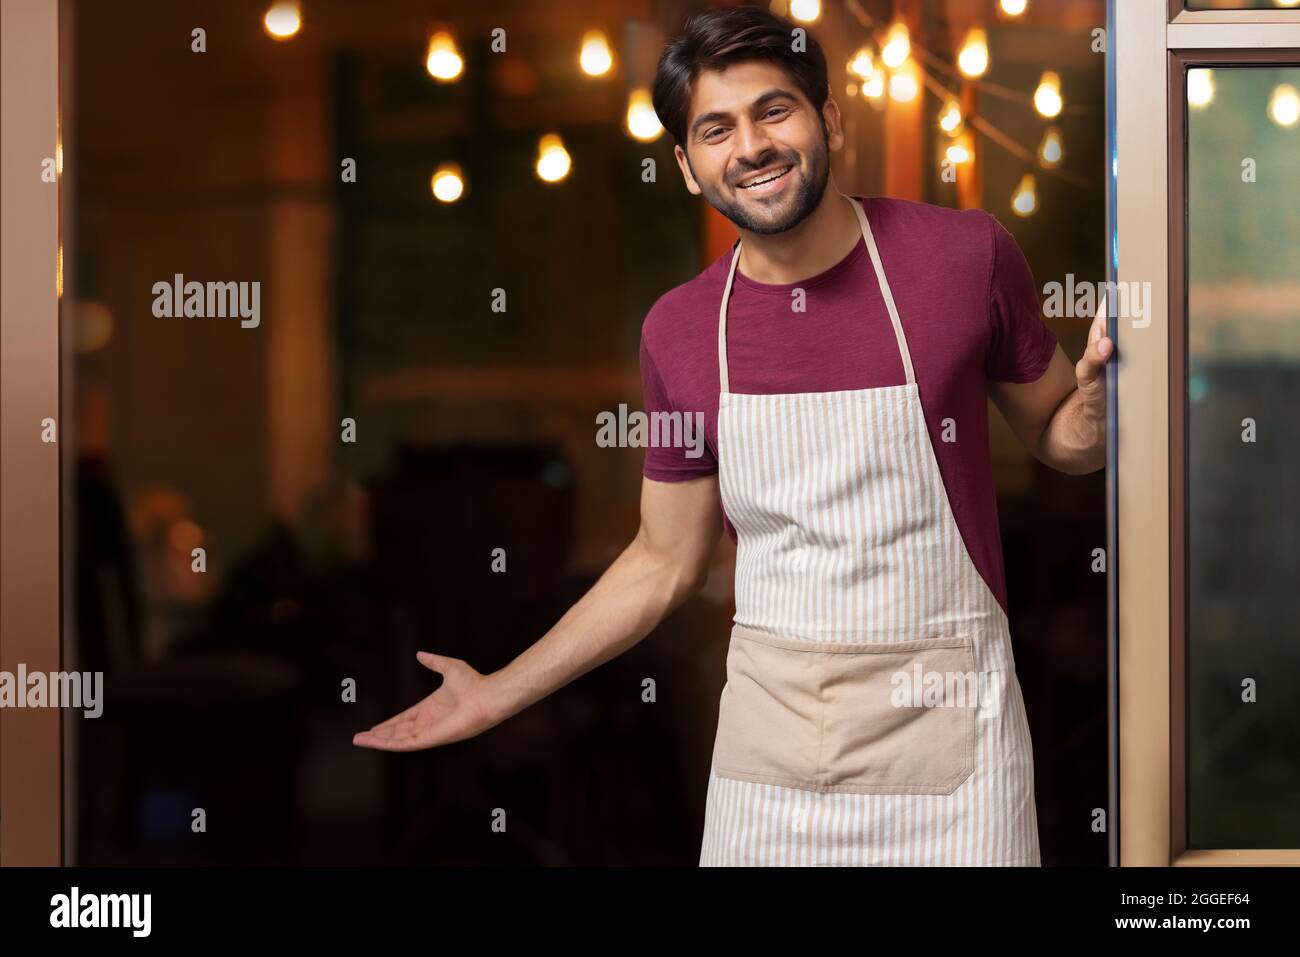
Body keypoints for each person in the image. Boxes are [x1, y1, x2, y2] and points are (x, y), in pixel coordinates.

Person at [353, 5, 1110, 867]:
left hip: (953, 762)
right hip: (771, 771)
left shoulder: (963, 258)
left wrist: (1102, 403)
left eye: (773, 111)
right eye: (716, 129)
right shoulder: (678, 332)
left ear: (829, 118)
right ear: (686, 165)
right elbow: (663, 560)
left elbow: (1062, 434)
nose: (749, 146)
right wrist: (496, 694)